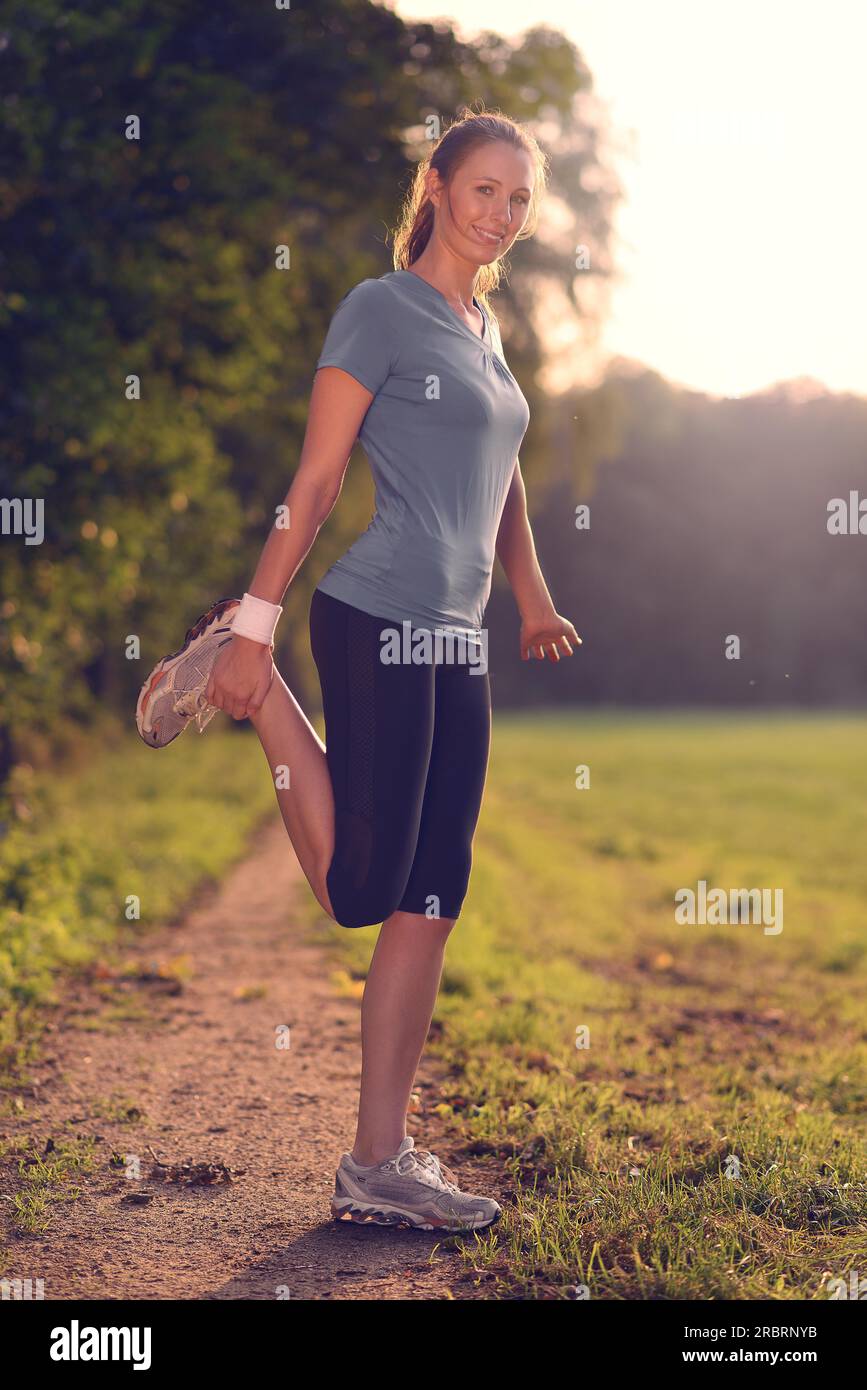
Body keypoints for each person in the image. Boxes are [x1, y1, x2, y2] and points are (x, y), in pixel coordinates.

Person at [135, 109, 580, 1233]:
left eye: (520, 200)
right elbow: (320, 476)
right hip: (374, 616)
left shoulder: (483, 331)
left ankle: (377, 1162)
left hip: (456, 639)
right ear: (436, 186)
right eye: (484, 190)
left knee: (434, 895)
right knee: (356, 891)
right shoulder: (380, 311)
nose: (502, 215)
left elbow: (505, 474)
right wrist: (258, 621)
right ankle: (251, 679)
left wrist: (529, 596)